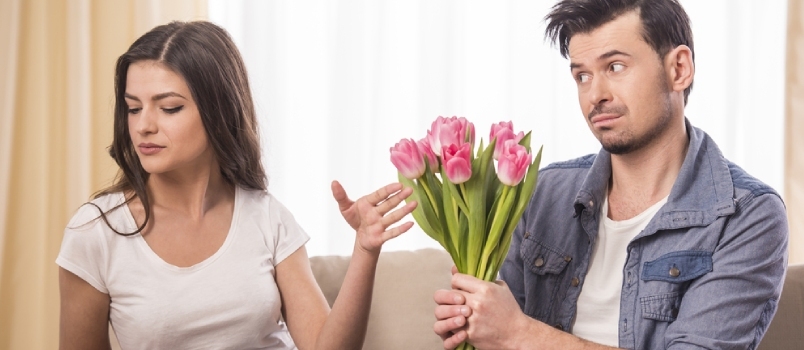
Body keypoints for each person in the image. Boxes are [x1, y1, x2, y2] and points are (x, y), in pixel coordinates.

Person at [433, 0, 789, 349]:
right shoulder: (541, 194)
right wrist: (473, 326)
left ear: (679, 69)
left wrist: (518, 334)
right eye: (582, 76)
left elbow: (512, 331)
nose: (595, 96)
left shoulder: (748, 216)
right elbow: (496, 332)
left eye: (615, 67)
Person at [57, 21, 417, 350]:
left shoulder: (266, 216)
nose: (143, 126)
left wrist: (365, 250)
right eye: (133, 108)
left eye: (168, 108)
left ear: (219, 111)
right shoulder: (96, 232)